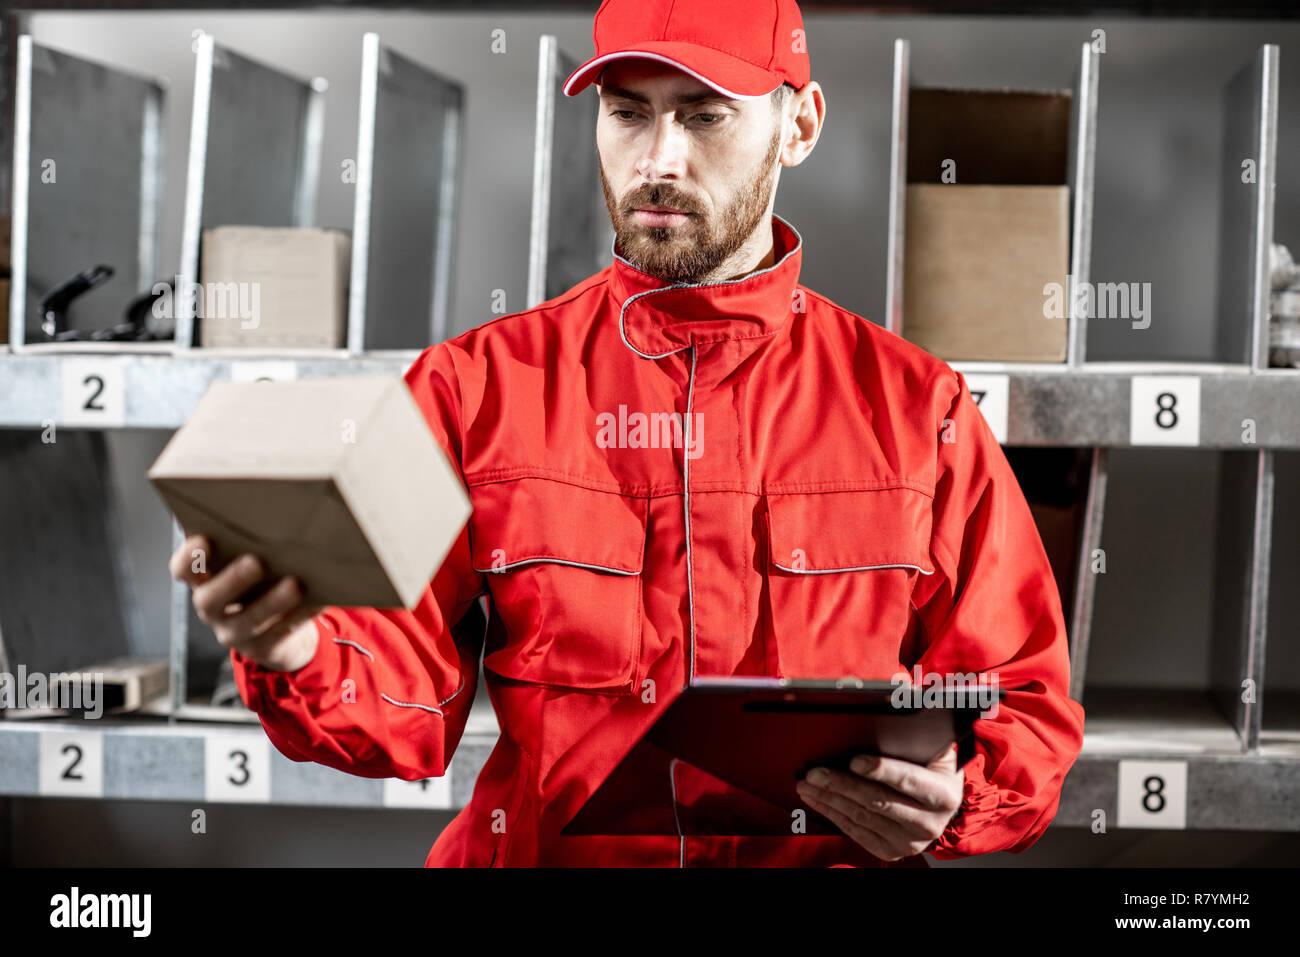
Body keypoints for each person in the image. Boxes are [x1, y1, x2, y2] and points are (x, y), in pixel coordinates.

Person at [169, 0, 1085, 867]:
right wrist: (294, 649)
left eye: (703, 116)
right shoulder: (474, 387)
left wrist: (956, 791)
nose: (657, 159)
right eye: (627, 113)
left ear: (798, 126)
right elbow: (404, 701)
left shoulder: (917, 408)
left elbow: (1024, 702)